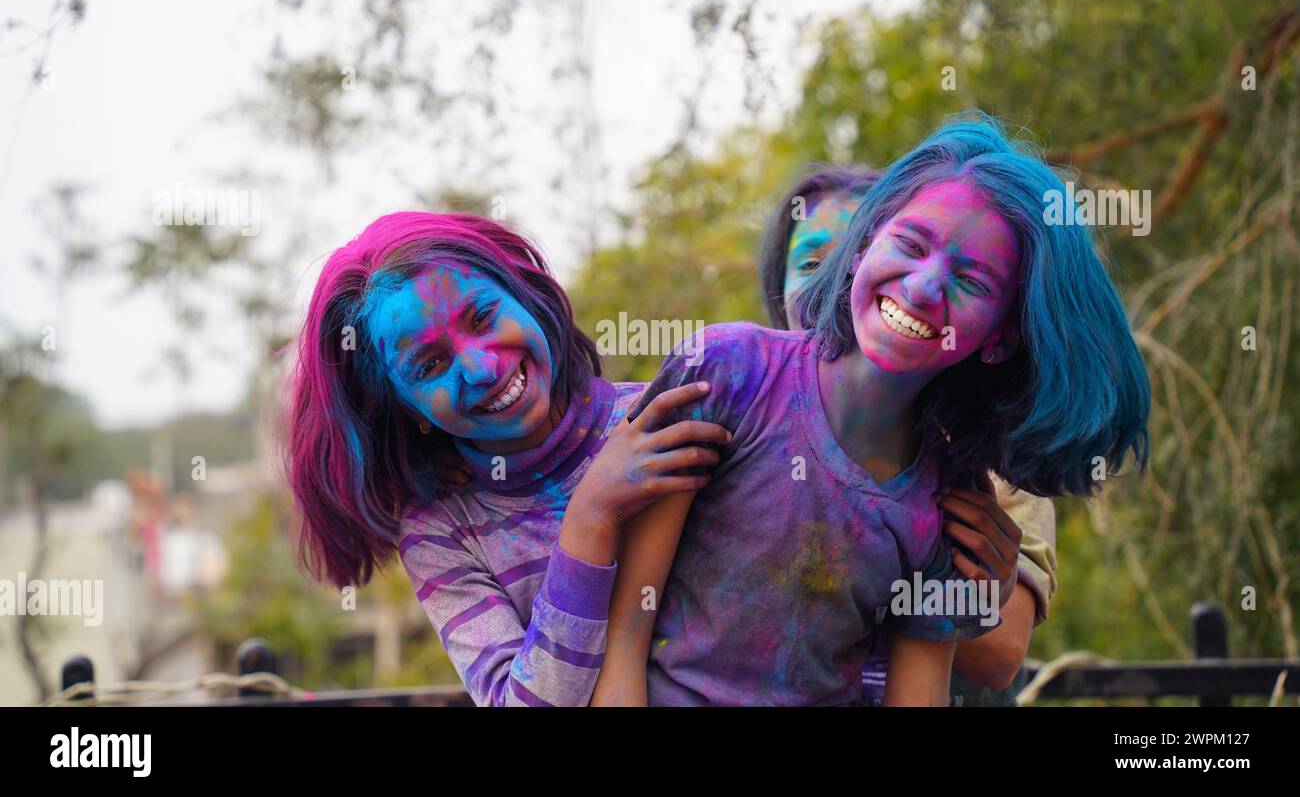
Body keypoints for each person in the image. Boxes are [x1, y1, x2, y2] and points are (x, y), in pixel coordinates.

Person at [591, 112, 1150, 706]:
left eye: (974, 281)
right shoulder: (727, 373)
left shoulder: (951, 496)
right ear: (862, 245)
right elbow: (624, 634)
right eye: (911, 244)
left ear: (1001, 338)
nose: (923, 286)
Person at [283, 211, 730, 705]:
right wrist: (589, 518)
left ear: (526, 296)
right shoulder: (443, 531)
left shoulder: (668, 420)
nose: (482, 367)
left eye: (482, 318)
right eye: (431, 364)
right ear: (408, 411)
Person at [758, 164, 1059, 704]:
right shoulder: (738, 400)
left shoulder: (982, 455)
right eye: (809, 262)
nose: (835, 280)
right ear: (778, 291)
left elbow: (1001, 654)